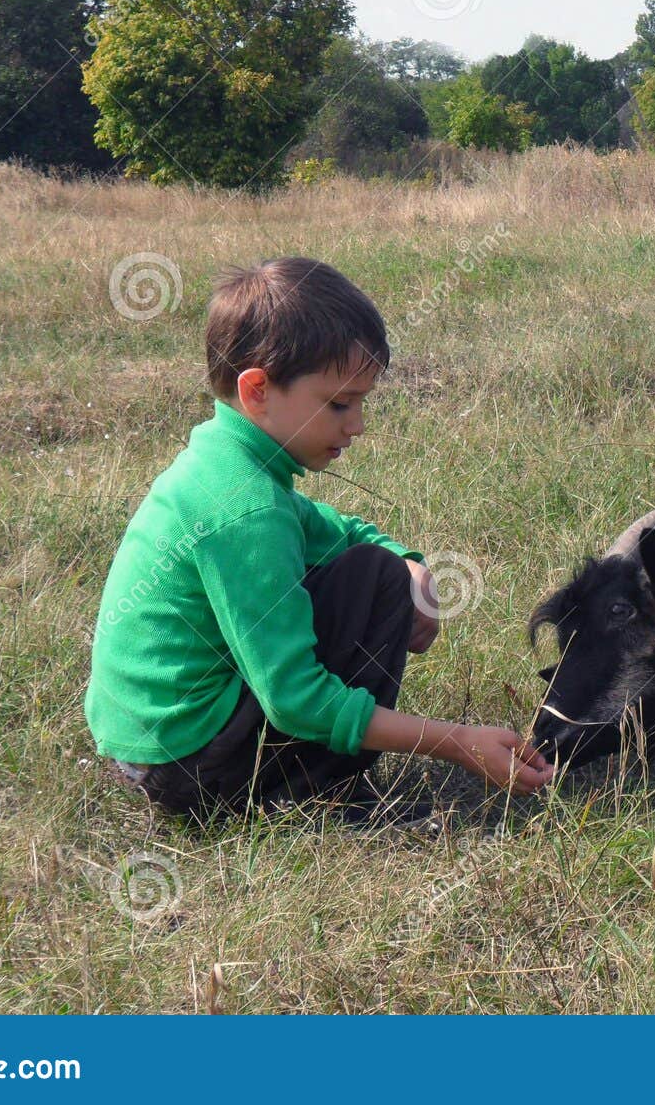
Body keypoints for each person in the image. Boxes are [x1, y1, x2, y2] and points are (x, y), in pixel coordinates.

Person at [84, 255, 553, 824]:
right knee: (373, 579)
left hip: (149, 752)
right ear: (257, 389)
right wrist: (454, 740)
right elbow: (294, 700)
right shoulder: (244, 510)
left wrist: (409, 563)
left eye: (361, 403)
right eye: (338, 404)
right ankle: (313, 797)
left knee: (380, 568)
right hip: (186, 771)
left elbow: (332, 530)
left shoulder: (228, 461)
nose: (355, 425)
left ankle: (305, 779)